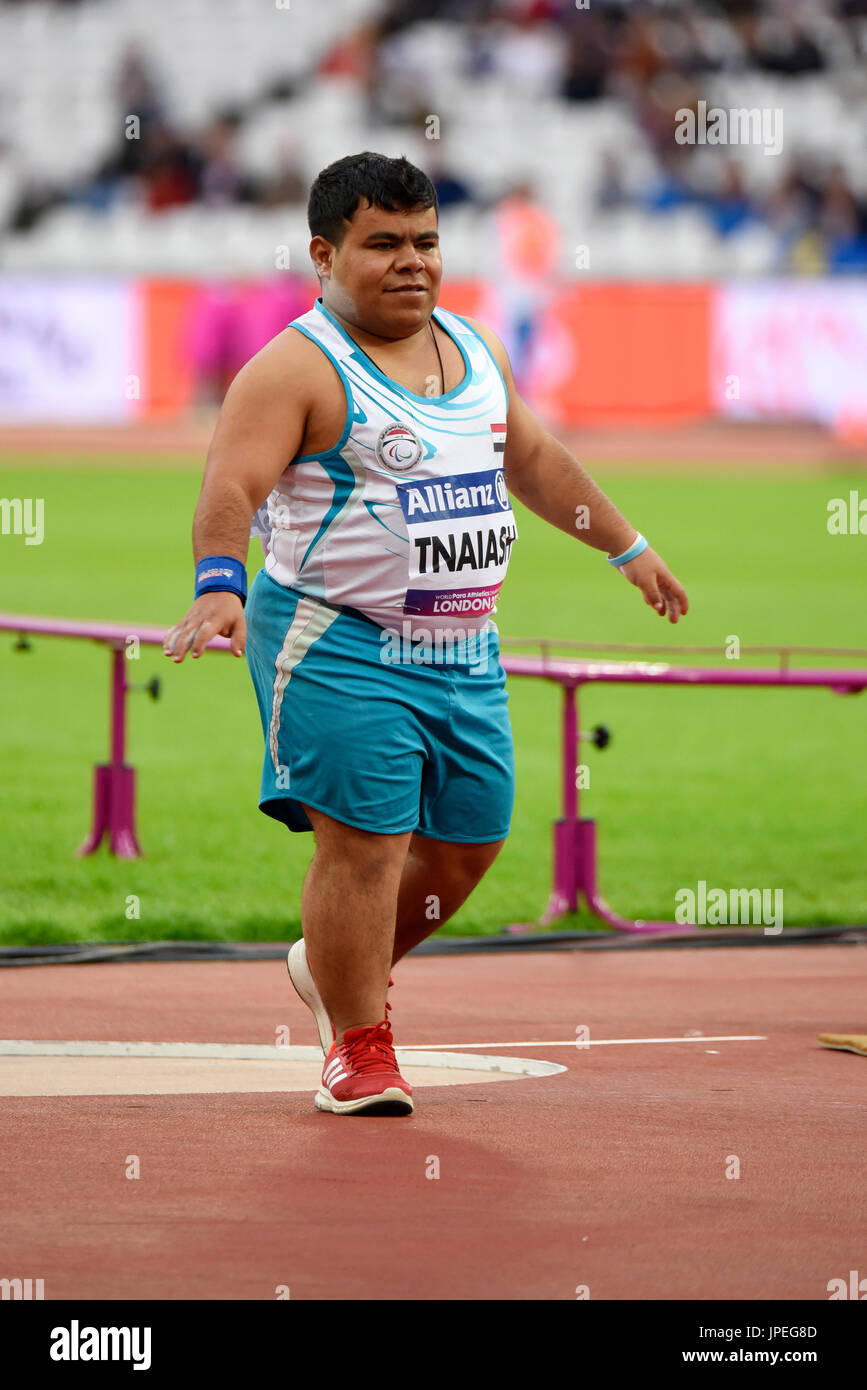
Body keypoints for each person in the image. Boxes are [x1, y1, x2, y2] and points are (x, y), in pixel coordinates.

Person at [163, 152, 689, 1117]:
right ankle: (359, 1049)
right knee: (365, 845)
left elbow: (534, 460)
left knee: (468, 846)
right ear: (324, 256)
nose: (412, 262)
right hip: (336, 640)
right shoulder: (293, 367)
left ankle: (327, 966)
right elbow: (230, 486)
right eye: (383, 245)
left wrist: (626, 547)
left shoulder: (473, 347)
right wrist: (218, 586)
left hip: (462, 647)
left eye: (426, 241)